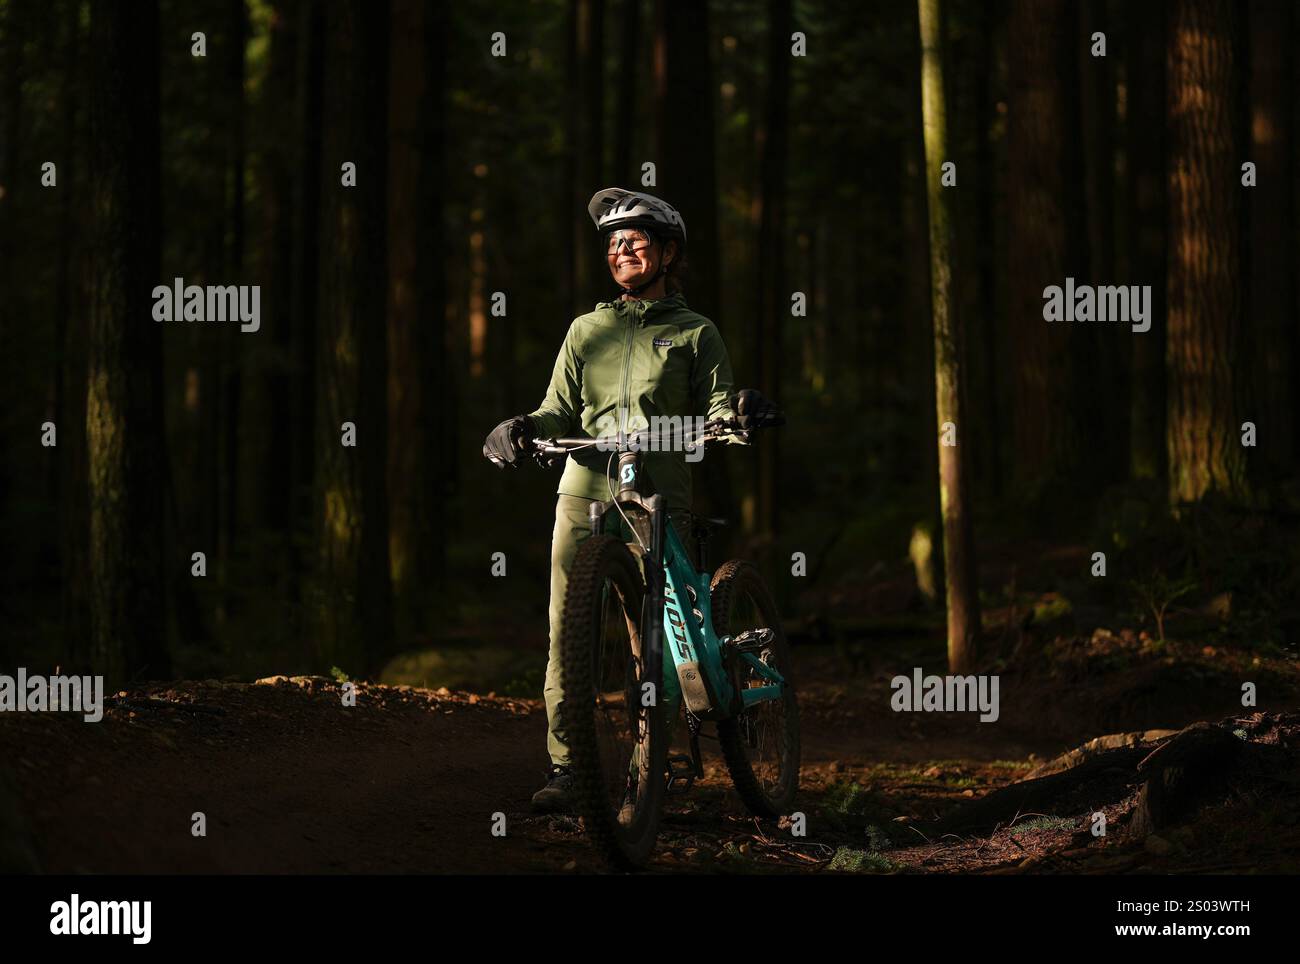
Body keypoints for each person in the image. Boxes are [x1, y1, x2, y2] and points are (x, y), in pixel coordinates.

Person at [483, 187, 773, 812]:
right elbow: (556, 408)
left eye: (635, 242)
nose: (621, 251)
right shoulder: (587, 330)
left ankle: (655, 764)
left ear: (668, 253)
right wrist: (520, 427)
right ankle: (567, 767)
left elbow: (719, 409)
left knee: (655, 638)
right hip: (584, 486)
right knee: (567, 630)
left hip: (660, 491)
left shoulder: (696, 333)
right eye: (613, 245)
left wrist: (741, 409)